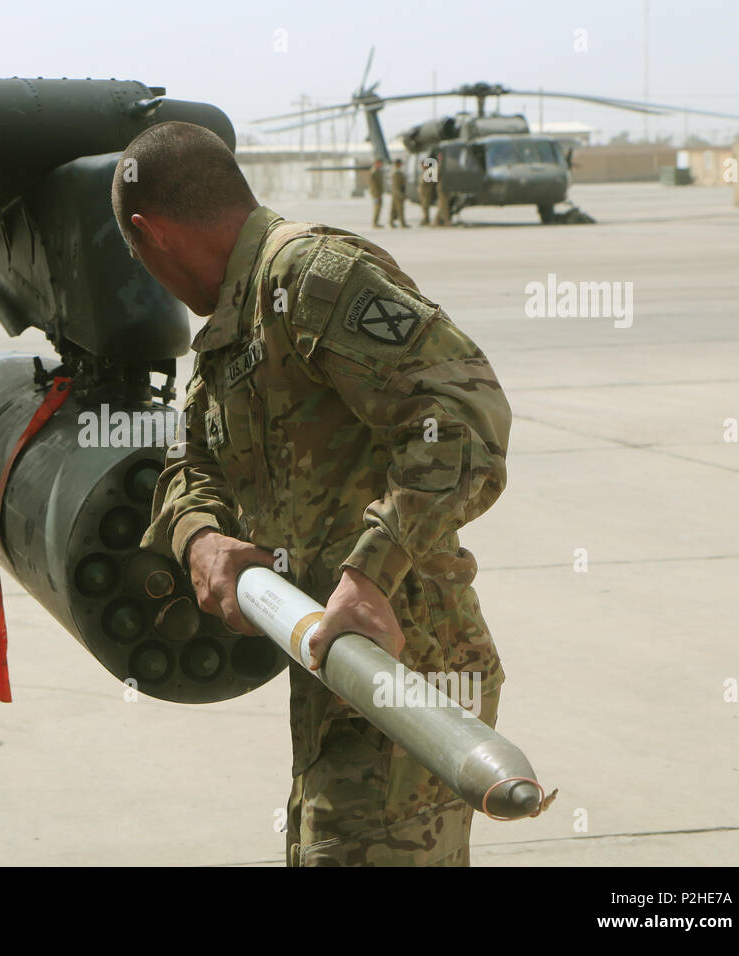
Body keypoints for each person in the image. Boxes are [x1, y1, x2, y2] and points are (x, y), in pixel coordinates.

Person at [111, 121, 511, 866]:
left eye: (138, 258)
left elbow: (464, 417)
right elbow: (186, 462)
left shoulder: (311, 277)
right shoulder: (233, 325)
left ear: (150, 234)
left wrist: (370, 572)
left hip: (407, 670)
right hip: (335, 663)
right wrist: (203, 537)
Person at [418, 153, 437, 226]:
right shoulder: (425, 172)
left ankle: (426, 220)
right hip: (423, 192)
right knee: (424, 207)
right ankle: (425, 219)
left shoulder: (429, 172)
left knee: (425, 206)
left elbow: (428, 183)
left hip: (426, 193)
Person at [389, 158, 408, 228]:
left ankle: (391, 222)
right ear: (398, 164)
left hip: (395, 193)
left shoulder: (394, 171)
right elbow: (397, 185)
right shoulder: (397, 173)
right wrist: (401, 195)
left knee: (393, 209)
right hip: (398, 193)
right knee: (400, 209)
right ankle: (402, 223)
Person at [368, 158, 384, 228]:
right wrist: (377, 194)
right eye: (380, 163)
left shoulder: (377, 171)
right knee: (377, 207)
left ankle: (376, 222)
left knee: (378, 207)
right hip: (376, 193)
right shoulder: (374, 171)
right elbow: (373, 184)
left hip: (377, 193)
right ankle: (375, 223)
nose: (381, 165)